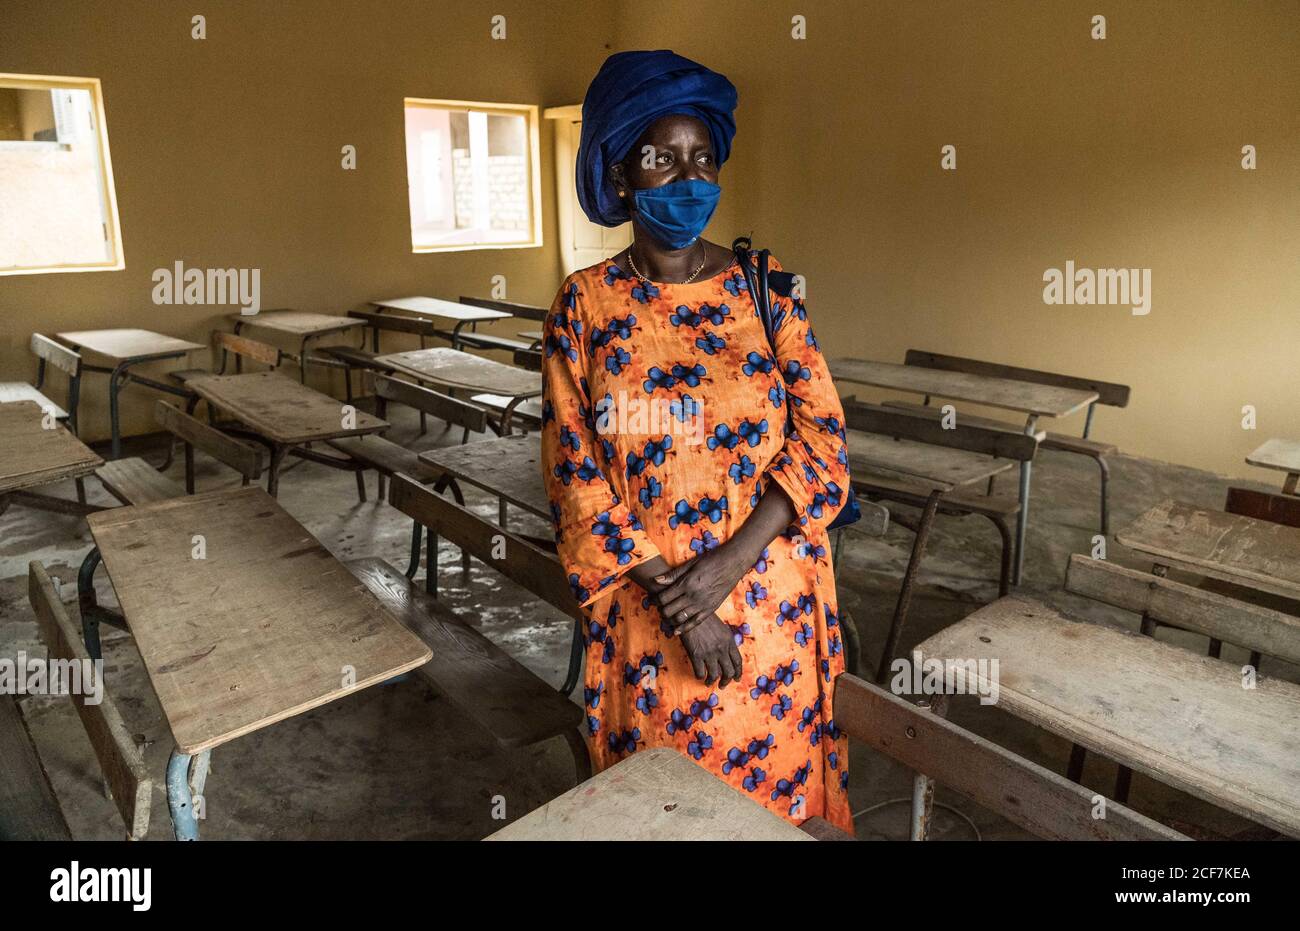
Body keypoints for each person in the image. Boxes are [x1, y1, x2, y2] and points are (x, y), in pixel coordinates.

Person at [540, 49, 854, 832]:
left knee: (776, 812)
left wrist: (731, 561)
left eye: (701, 158)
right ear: (621, 179)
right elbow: (576, 481)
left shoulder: (766, 285)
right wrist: (686, 603)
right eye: (662, 160)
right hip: (655, 624)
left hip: (772, 615)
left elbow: (824, 440)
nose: (688, 178)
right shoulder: (583, 310)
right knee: (668, 813)